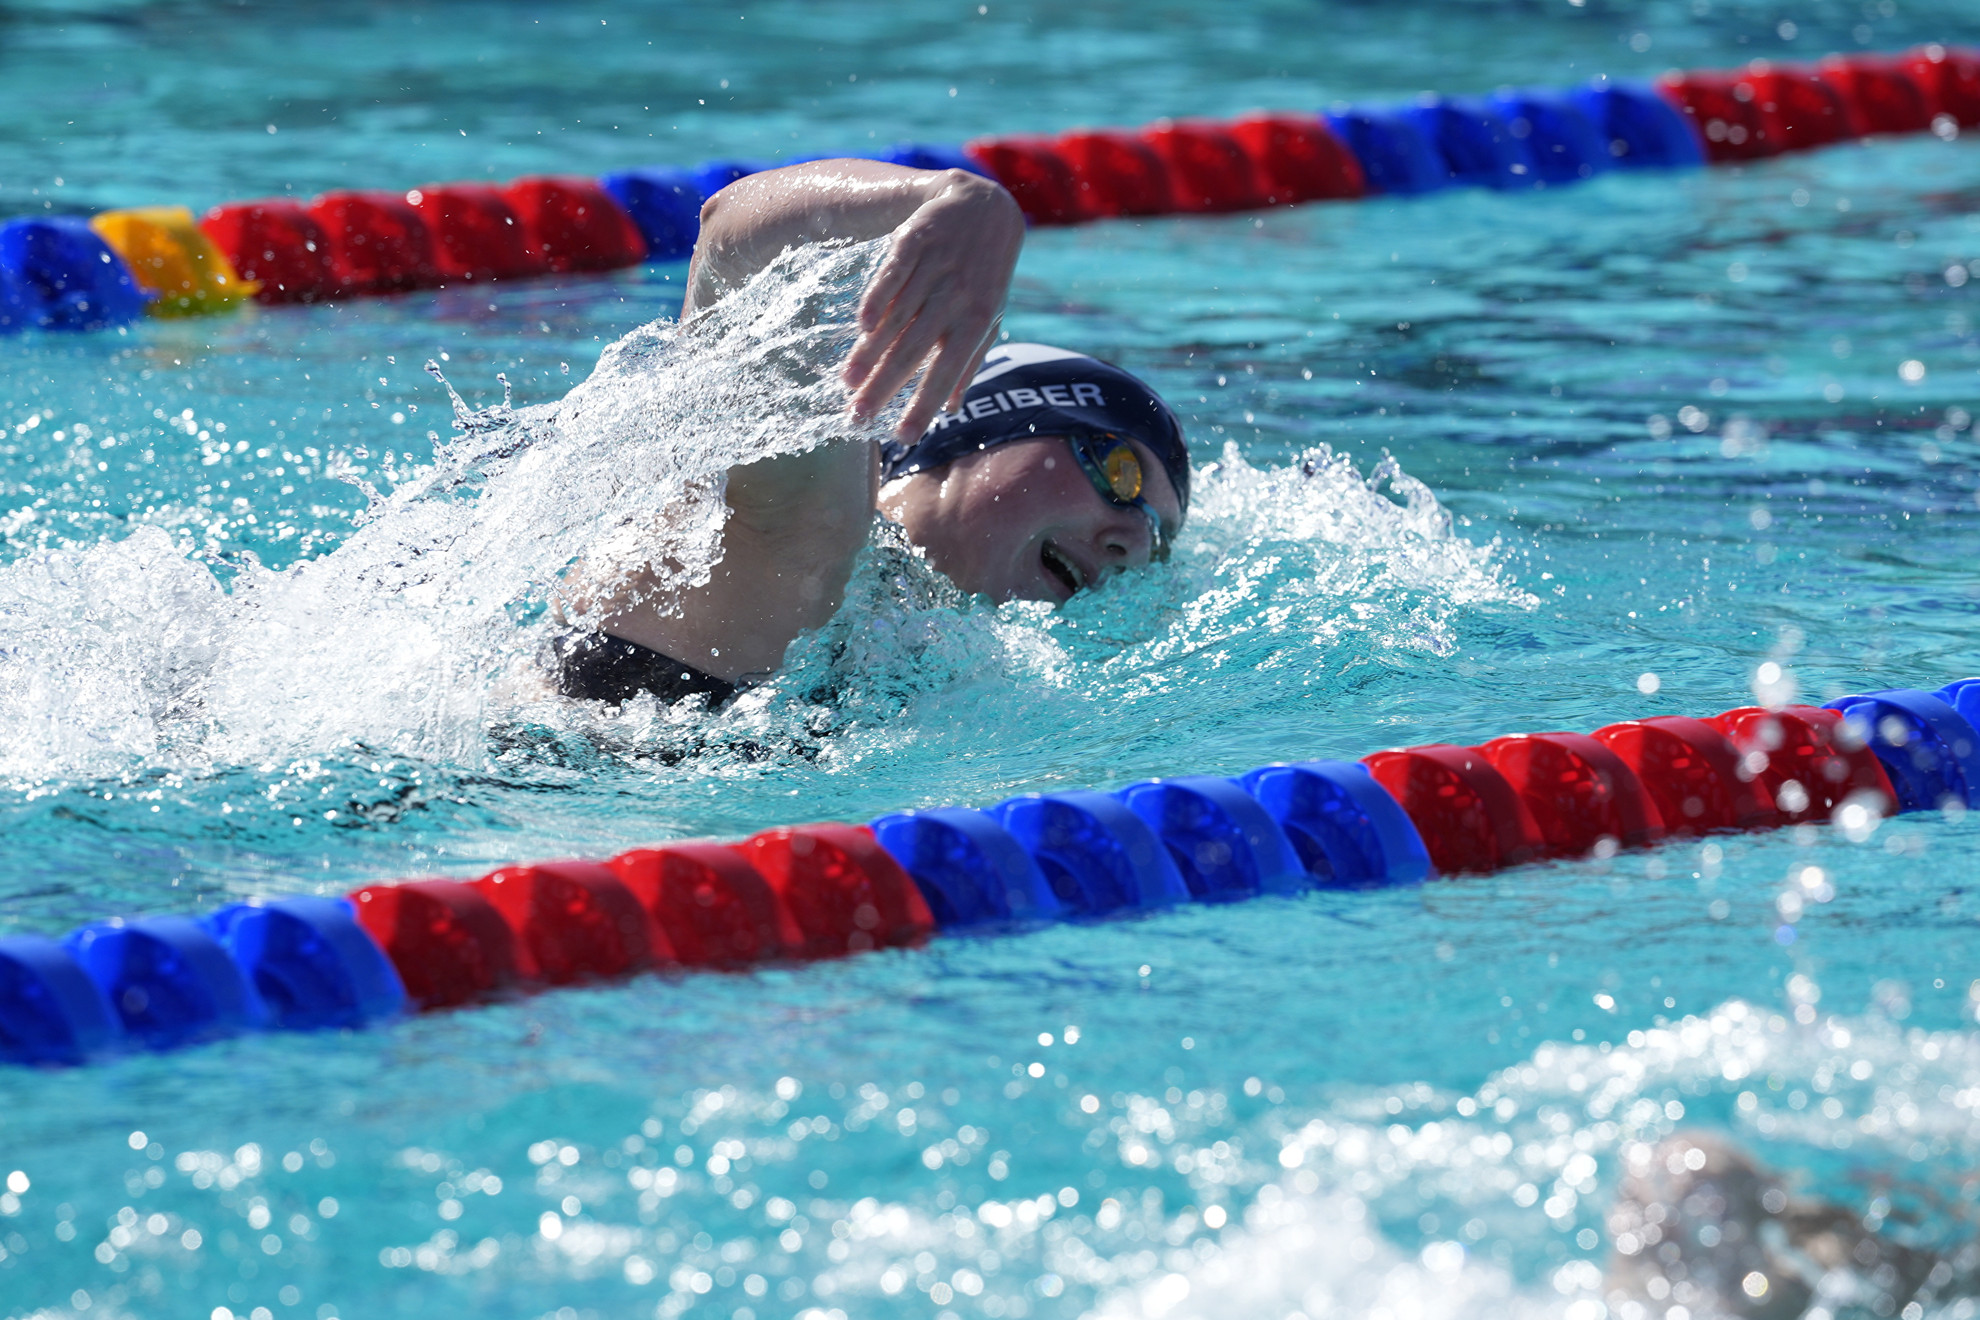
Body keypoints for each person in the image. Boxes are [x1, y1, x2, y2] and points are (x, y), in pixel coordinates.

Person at [551, 159, 1190, 707]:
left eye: (1160, 539)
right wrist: (952, 200)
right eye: (1119, 473)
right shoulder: (802, 522)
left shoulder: (909, 638)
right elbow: (737, 247)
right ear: (967, 426)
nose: (1134, 540)